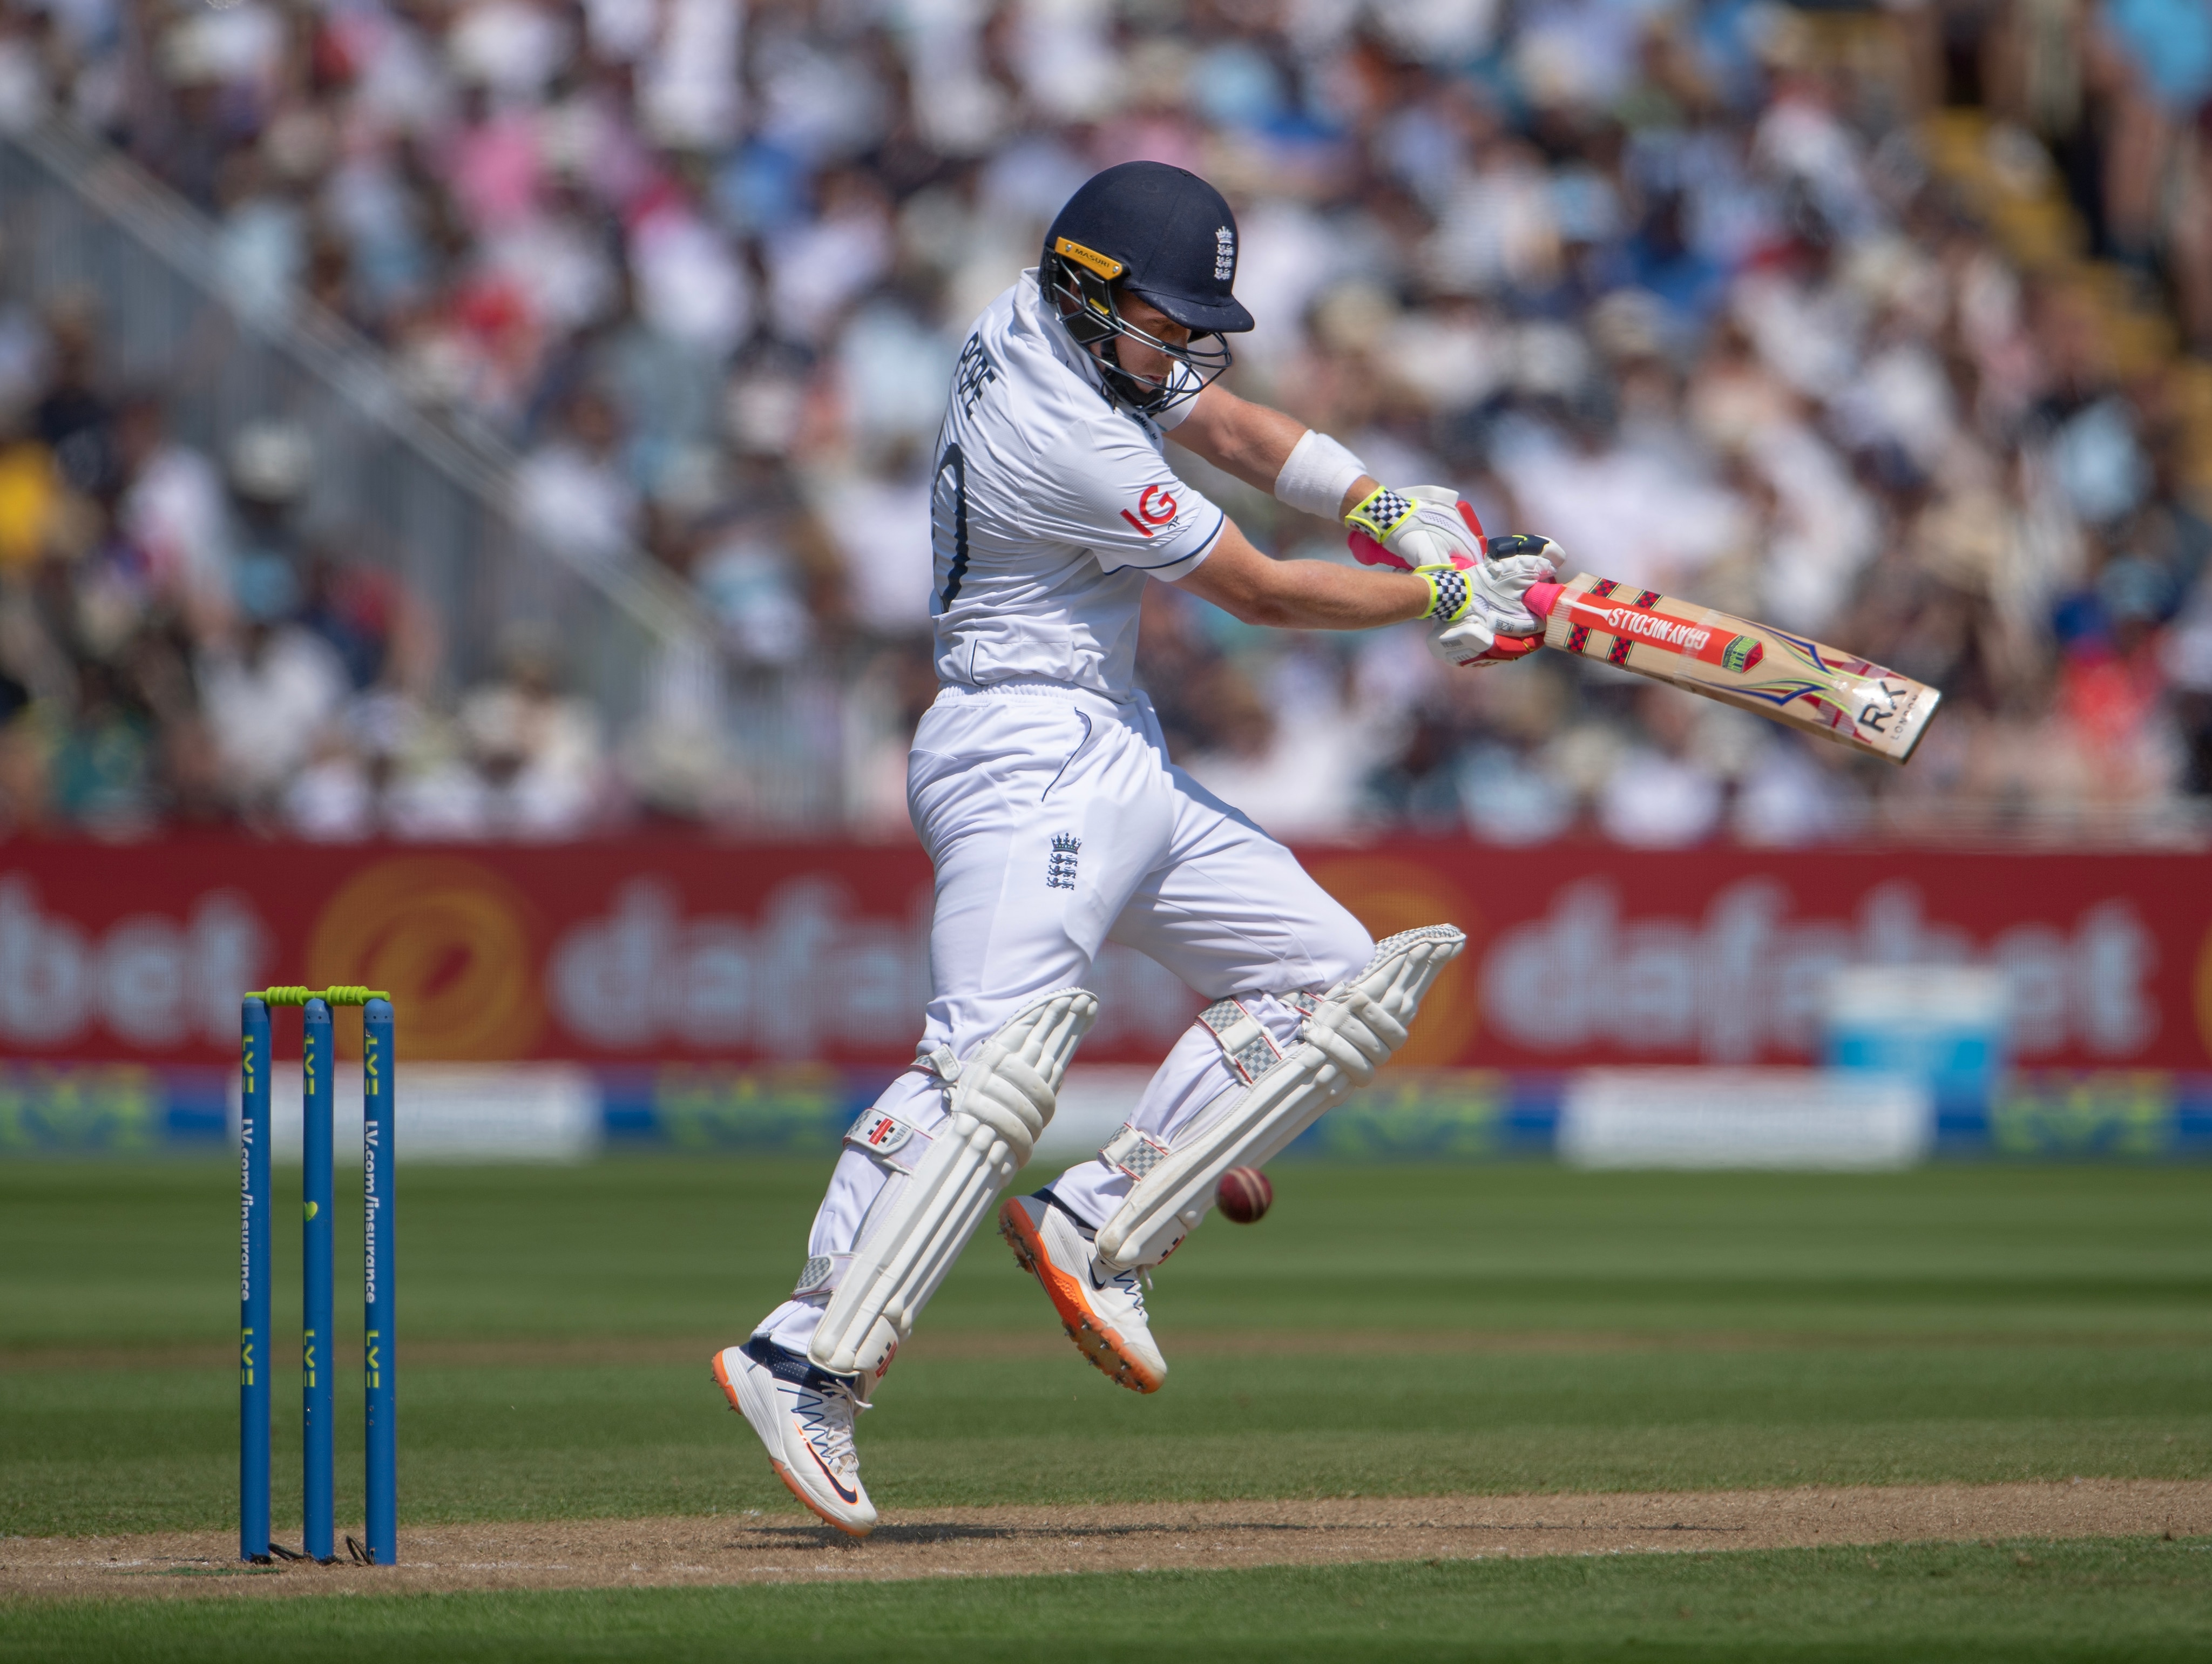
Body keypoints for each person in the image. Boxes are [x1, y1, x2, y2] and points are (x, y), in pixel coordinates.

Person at [711, 161, 1562, 1534]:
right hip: (1022, 753)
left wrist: (1382, 503)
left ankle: (1107, 1211)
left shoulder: (1055, 319)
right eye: (1162, 320)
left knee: (1334, 978)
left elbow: (1226, 423)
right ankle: (802, 1353)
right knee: (988, 1070)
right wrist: (1442, 592)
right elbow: (1261, 594)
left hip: (1111, 740)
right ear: (1088, 292)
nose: (1179, 347)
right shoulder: (1063, 431)